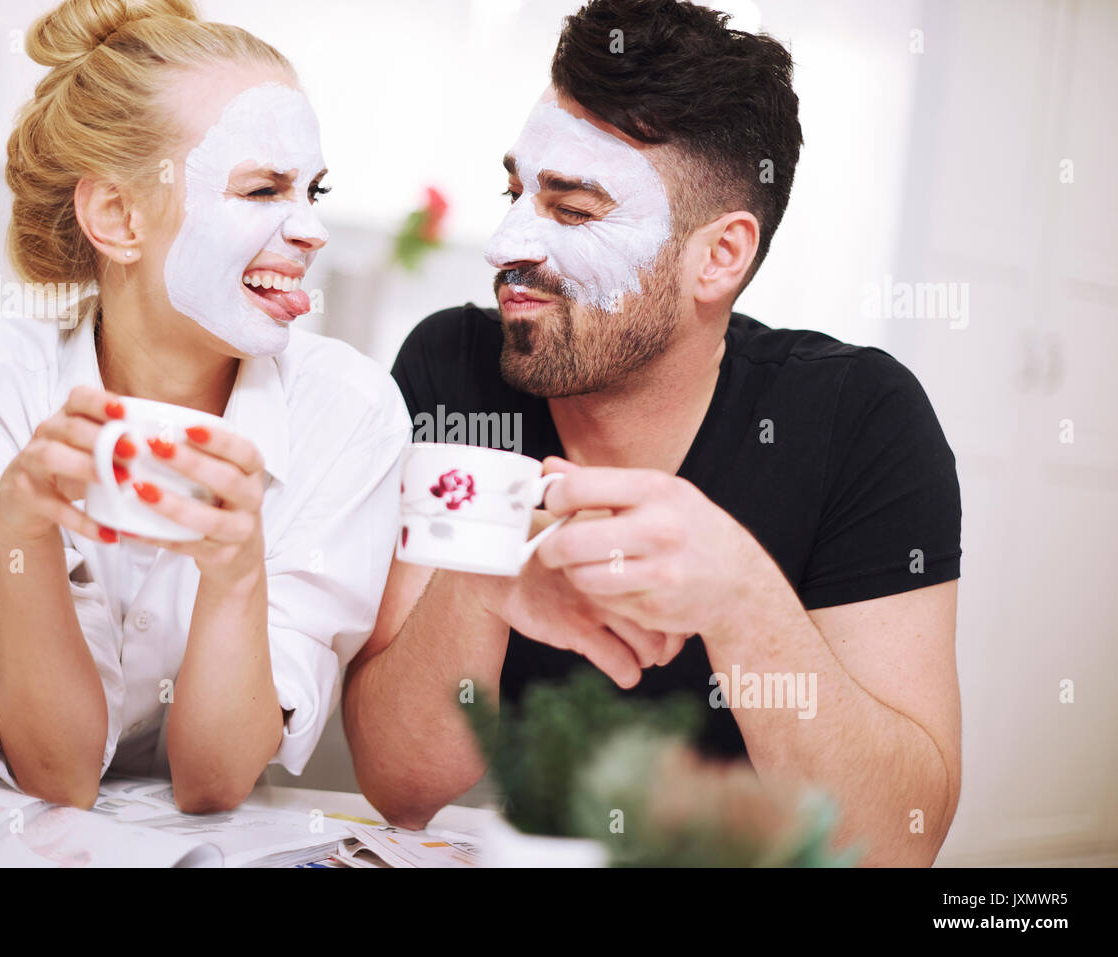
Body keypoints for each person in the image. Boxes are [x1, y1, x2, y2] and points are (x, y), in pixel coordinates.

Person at [344, 0, 961, 866]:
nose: (503, 242)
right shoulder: (454, 368)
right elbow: (399, 787)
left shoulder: (862, 419)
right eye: (516, 191)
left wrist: (741, 597)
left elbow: (900, 844)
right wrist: (480, 577)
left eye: (575, 210)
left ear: (720, 256)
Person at [0, 0, 409, 812]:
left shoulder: (350, 412)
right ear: (117, 215)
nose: (313, 228)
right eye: (262, 189)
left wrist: (236, 568)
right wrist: (24, 535)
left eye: (312, 189)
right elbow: (58, 773)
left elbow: (213, 779)